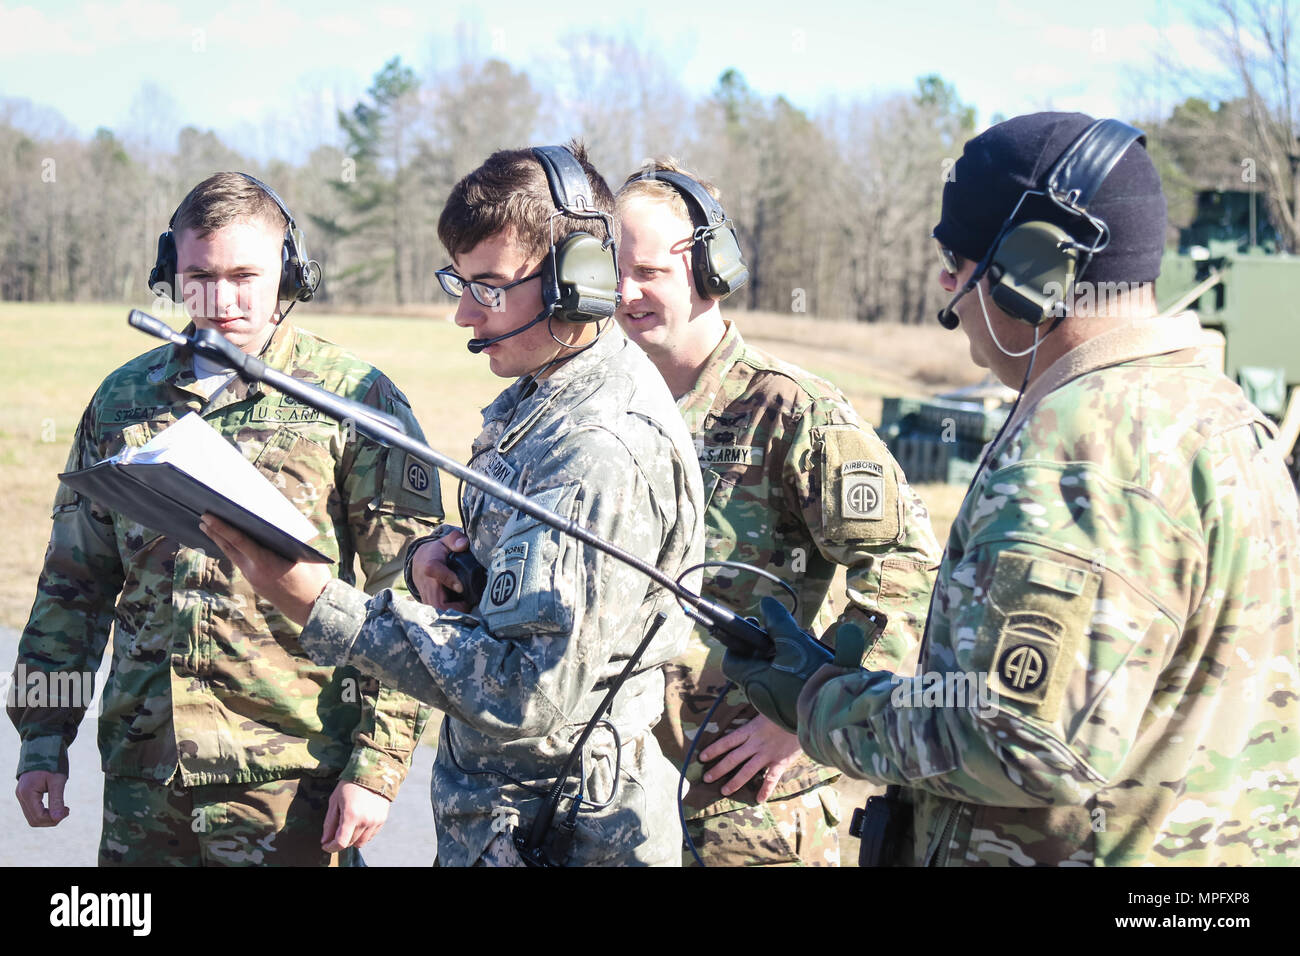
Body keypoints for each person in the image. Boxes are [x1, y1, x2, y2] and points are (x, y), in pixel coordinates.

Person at [723, 112, 1300, 865]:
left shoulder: (1084, 452)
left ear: (1032, 270)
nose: (946, 286)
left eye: (958, 262)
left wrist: (821, 702)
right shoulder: (1216, 413)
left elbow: (1025, 738)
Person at [201, 143, 705, 867]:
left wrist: (322, 605)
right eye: (460, 283)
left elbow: (526, 693)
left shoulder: (599, 449)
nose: (463, 313)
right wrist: (453, 570)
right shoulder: (550, 395)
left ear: (578, 284)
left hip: (569, 835)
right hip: (514, 823)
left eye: (491, 287)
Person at [8, 172, 442, 865]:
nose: (223, 298)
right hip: (146, 784)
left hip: (293, 781)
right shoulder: (121, 403)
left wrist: (378, 768)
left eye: (246, 274)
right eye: (200, 276)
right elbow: (72, 587)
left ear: (290, 272)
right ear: (171, 275)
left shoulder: (355, 402)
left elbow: (410, 600)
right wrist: (41, 740)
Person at [615, 162, 941, 866]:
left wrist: (810, 716)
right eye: (611, 270)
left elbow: (906, 567)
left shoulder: (789, 411)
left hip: (751, 808)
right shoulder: (608, 411)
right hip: (621, 792)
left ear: (709, 271)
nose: (624, 292)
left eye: (647, 271)